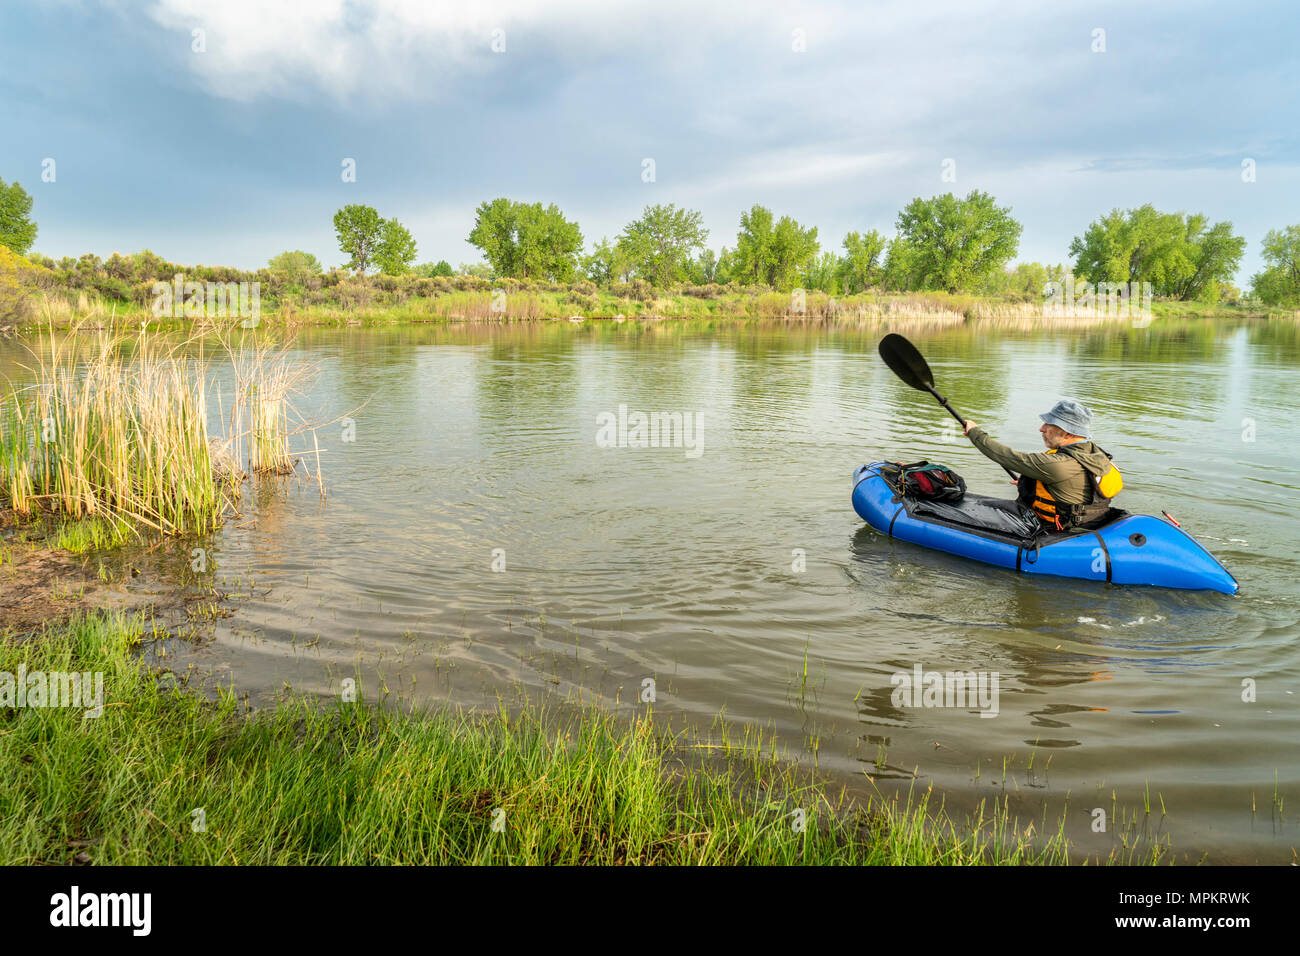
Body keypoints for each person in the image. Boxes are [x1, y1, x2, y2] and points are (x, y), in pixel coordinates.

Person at [961, 399, 1122, 531]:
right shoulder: (1097, 453)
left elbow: (1006, 457)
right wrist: (1034, 486)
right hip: (1089, 521)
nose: (1041, 429)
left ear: (1068, 433)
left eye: (1049, 425)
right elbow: (1080, 485)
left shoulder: (1059, 464)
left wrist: (975, 432)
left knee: (979, 506)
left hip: (1057, 528)